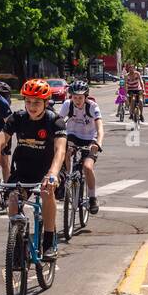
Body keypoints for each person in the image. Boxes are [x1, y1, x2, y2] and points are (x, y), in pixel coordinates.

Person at [0, 79, 67, 260]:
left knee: (47, 192)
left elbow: (60, 150)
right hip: (23, 170)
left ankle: (48, 240)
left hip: (48, 171)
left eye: (37, 102)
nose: (32, 106)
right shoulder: (18, 118)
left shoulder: (55, 122)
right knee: (13, 199)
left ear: (46, 103)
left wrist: (53, 173)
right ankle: (17, 244)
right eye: (28, 101)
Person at [60, 80, 104, 214]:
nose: (77, 101)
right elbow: (58, 121)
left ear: (86, 97)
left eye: (80, 97)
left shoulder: (92, 106)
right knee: (65, 151)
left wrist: (98, 143)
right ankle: (67, 179)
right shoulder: (67, 105)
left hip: (90, 139)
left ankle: (92, 197)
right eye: (75, 97)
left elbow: (100, 127)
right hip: (72, 135)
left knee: (87, 167)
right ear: (71, 97)